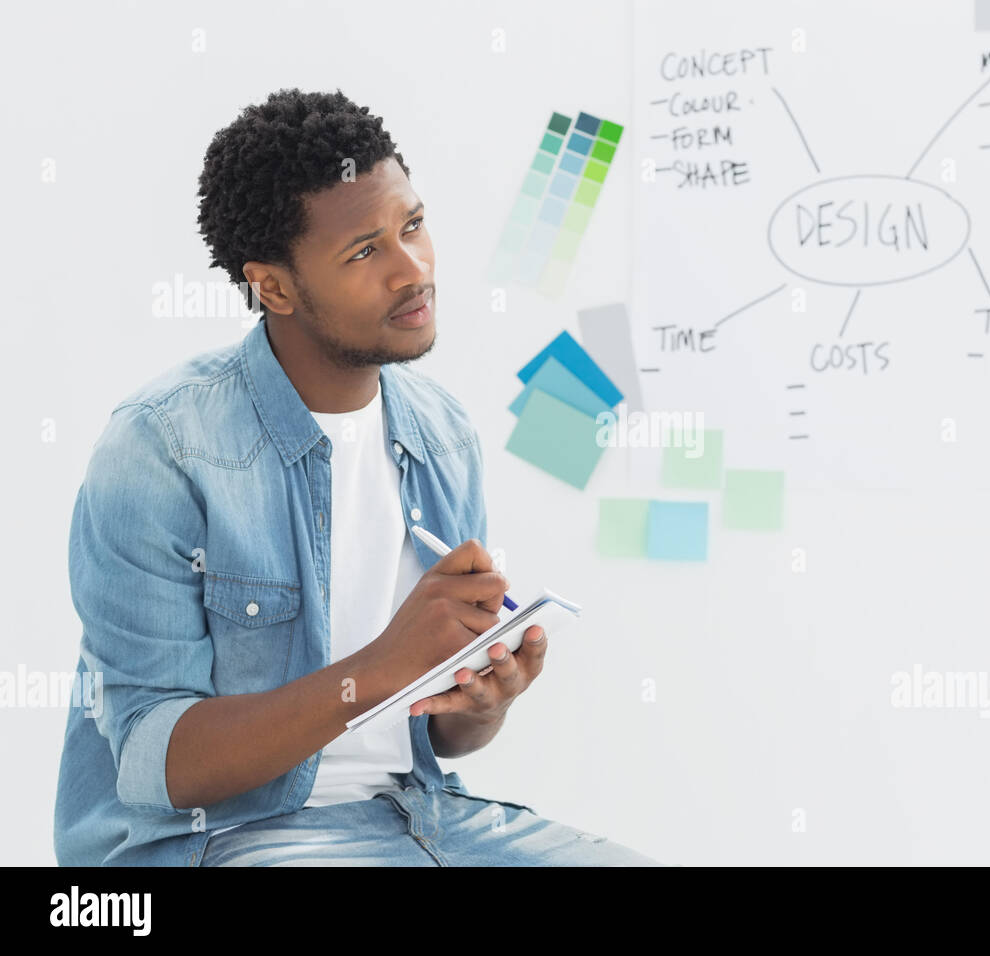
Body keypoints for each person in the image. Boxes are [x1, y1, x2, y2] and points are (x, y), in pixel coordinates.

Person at [53, 87, 663, 867]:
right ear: (272, 286)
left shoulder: (442, 434)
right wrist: (381, 666)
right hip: (228, 838)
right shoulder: (162, 448)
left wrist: (484, 700)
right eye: (364, 252)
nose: (413, 270)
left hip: (419, 817)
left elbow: (435, 732)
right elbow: (155, 763)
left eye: (412, 226)